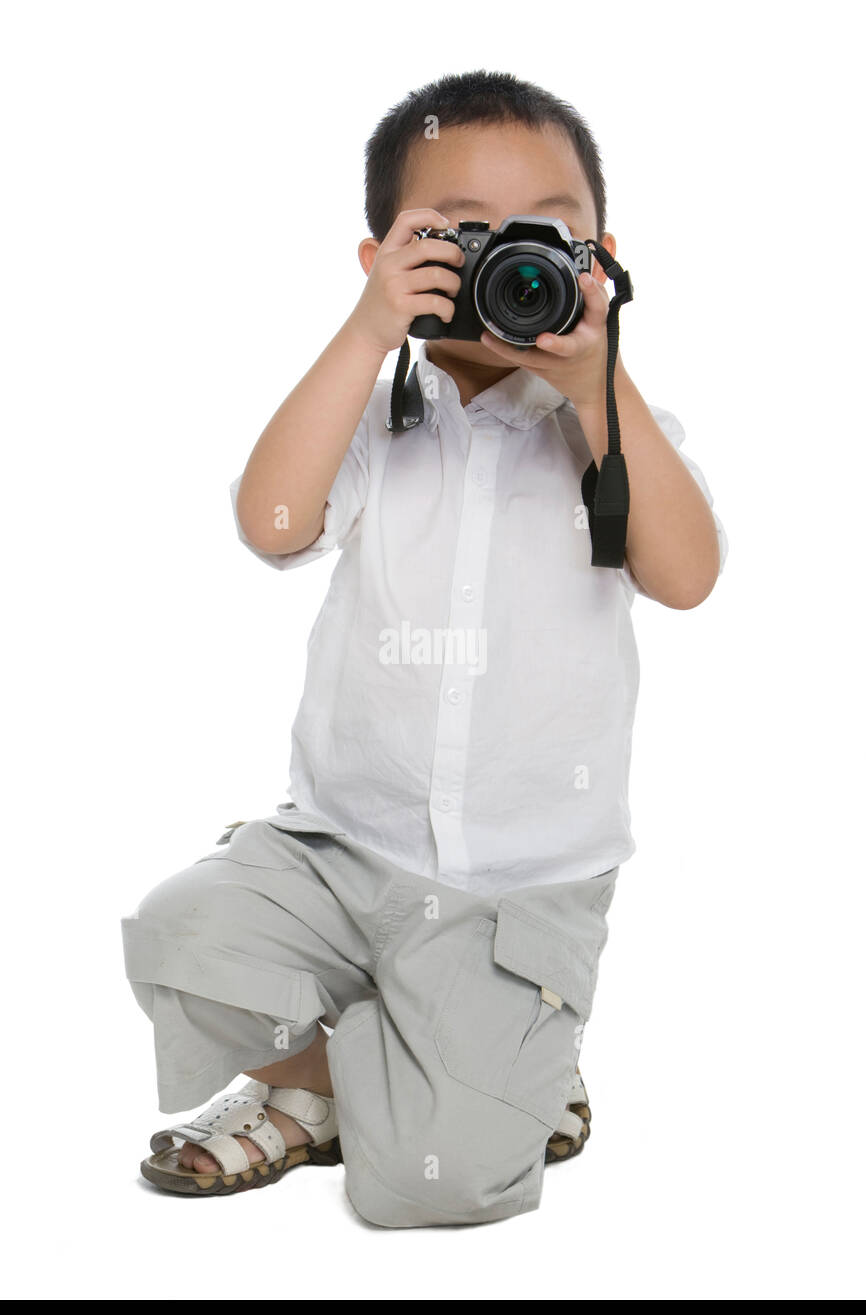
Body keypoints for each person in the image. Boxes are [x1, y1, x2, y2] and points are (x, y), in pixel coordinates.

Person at [121, 69, 728, 1228]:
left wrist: (597, 386)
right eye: (458, 236)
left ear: (602, 257)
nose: (508, 259)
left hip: (515, 896)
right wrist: (364, 335)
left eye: (543, 234)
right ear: (382, 260)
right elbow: (271, 523)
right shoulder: (371, 416)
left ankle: (474, 1074)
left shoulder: (611, 428)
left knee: (423, 1191)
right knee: (175, 931)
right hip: (341, 852)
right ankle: (370, 1076)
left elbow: (686, 577)